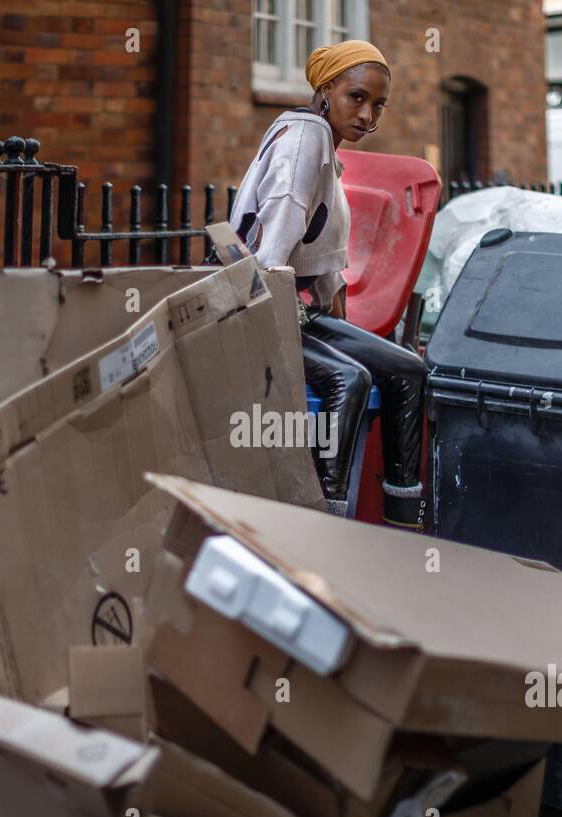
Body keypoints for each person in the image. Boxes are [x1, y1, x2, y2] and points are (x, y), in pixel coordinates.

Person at [228, 40, 428, 531]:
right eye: (356, 98)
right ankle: (330, 525)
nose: (368, 116)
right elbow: (270, 253)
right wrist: (304, 338)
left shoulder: (325, 146)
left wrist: (338, 325)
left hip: (293, 310)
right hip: (252, 309)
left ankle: (404, 522)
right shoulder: (304, 141)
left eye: (378, 105)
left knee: (409, 371)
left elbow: (322, 264)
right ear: (324, 90)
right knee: (349, 379)